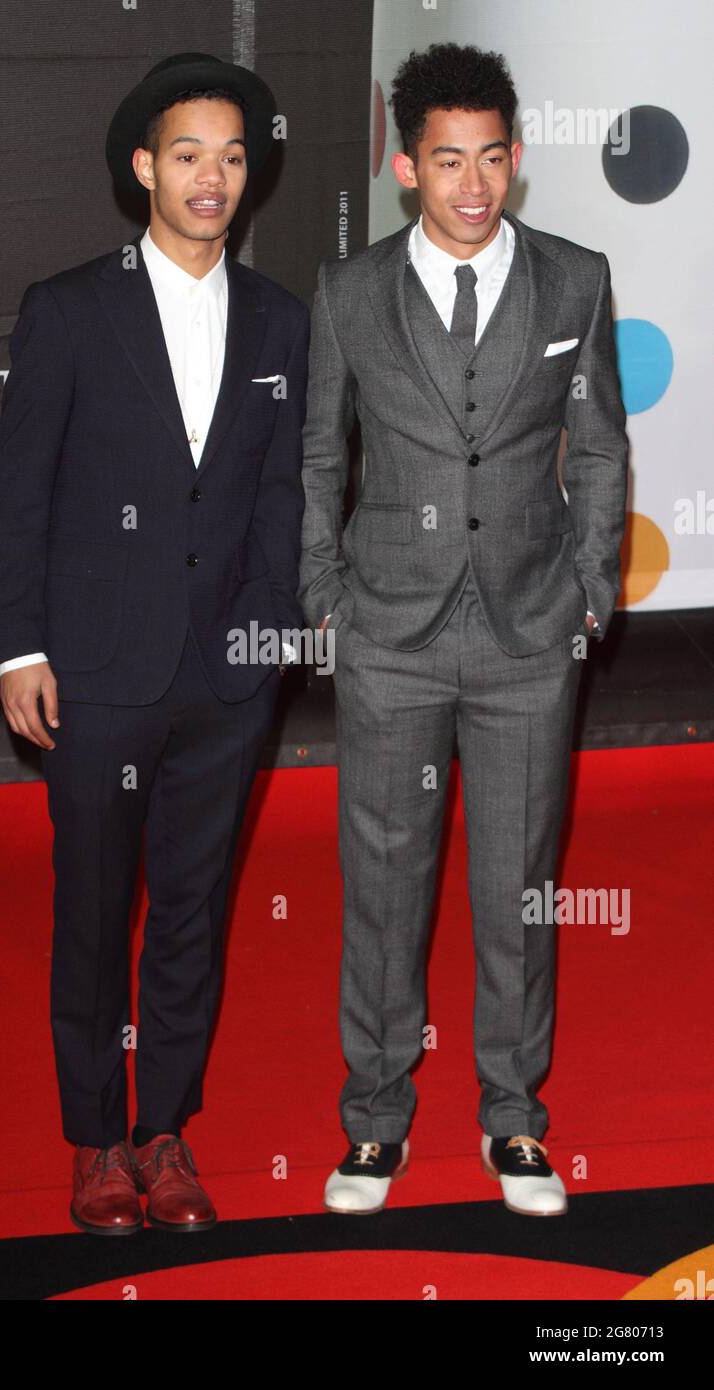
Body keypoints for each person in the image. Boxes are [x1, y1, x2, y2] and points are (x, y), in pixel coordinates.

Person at [298, 42, 628, 1217]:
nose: (473, 181)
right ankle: (375, 1118)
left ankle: (512, 1118)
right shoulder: (347, 293)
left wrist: (592, 583)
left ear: (514, 158)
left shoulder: (573, 280)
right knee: (383, 885)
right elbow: (320, 458)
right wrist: (323, 597)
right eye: (447, 160)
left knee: (519, 886)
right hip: (387, 629)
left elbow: (593, 445)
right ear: (405, 167)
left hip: (531, 633)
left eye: (491, 156)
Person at [0, 52, 309, 1235]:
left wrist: (270, 634)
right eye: (186, 155)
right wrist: (17, 646)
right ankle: (92, 1140)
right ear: (142, 168)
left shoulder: (280, 318)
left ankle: (164, 1135)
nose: (211, 176)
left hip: (225, 679)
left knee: (190, 912)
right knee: (91, 907)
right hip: (97, 674)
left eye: (231, 155)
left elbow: (281, 496)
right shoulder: (69, 307)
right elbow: (19, 496)